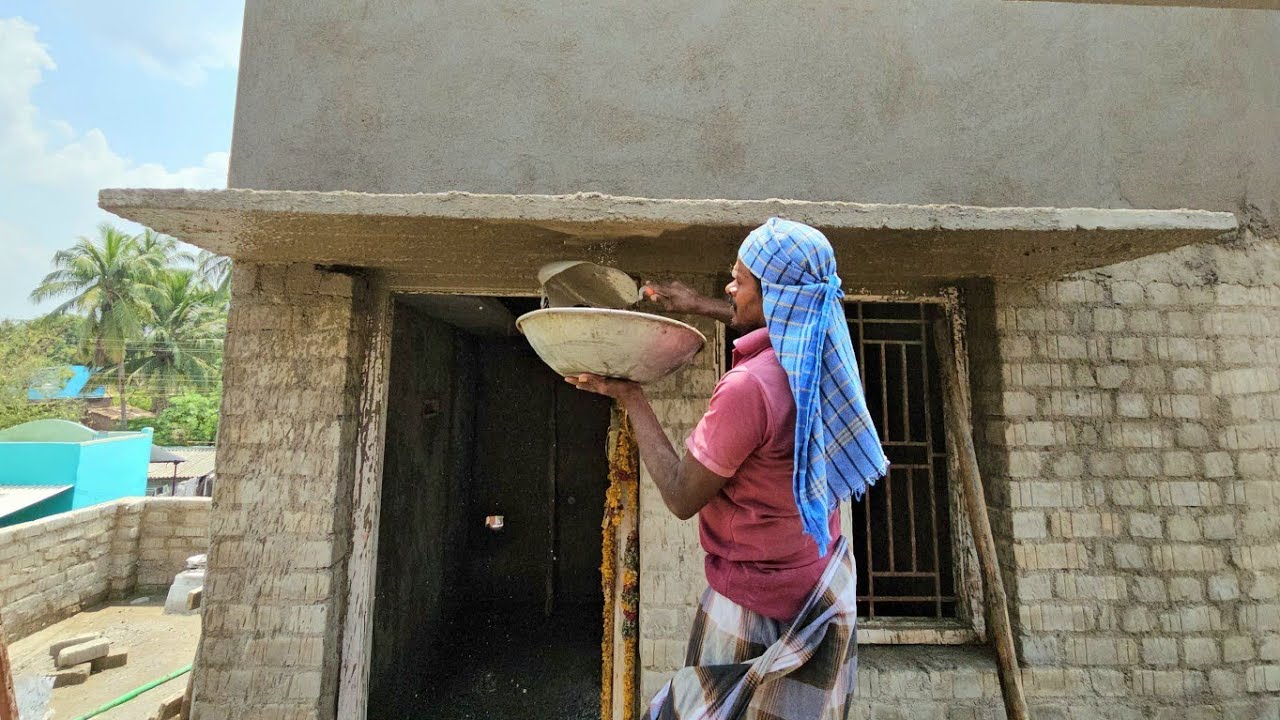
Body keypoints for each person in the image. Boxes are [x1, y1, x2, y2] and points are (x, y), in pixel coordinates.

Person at [567, 217, 889, 719]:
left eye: (738, 281)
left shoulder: (749, 389)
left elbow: (681, 495)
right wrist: (698, 305)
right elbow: (777, 319)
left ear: (773, 295)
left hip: (754, 604)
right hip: (817, 579)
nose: (728, 288)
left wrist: (631, 396)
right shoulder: (823, 351)